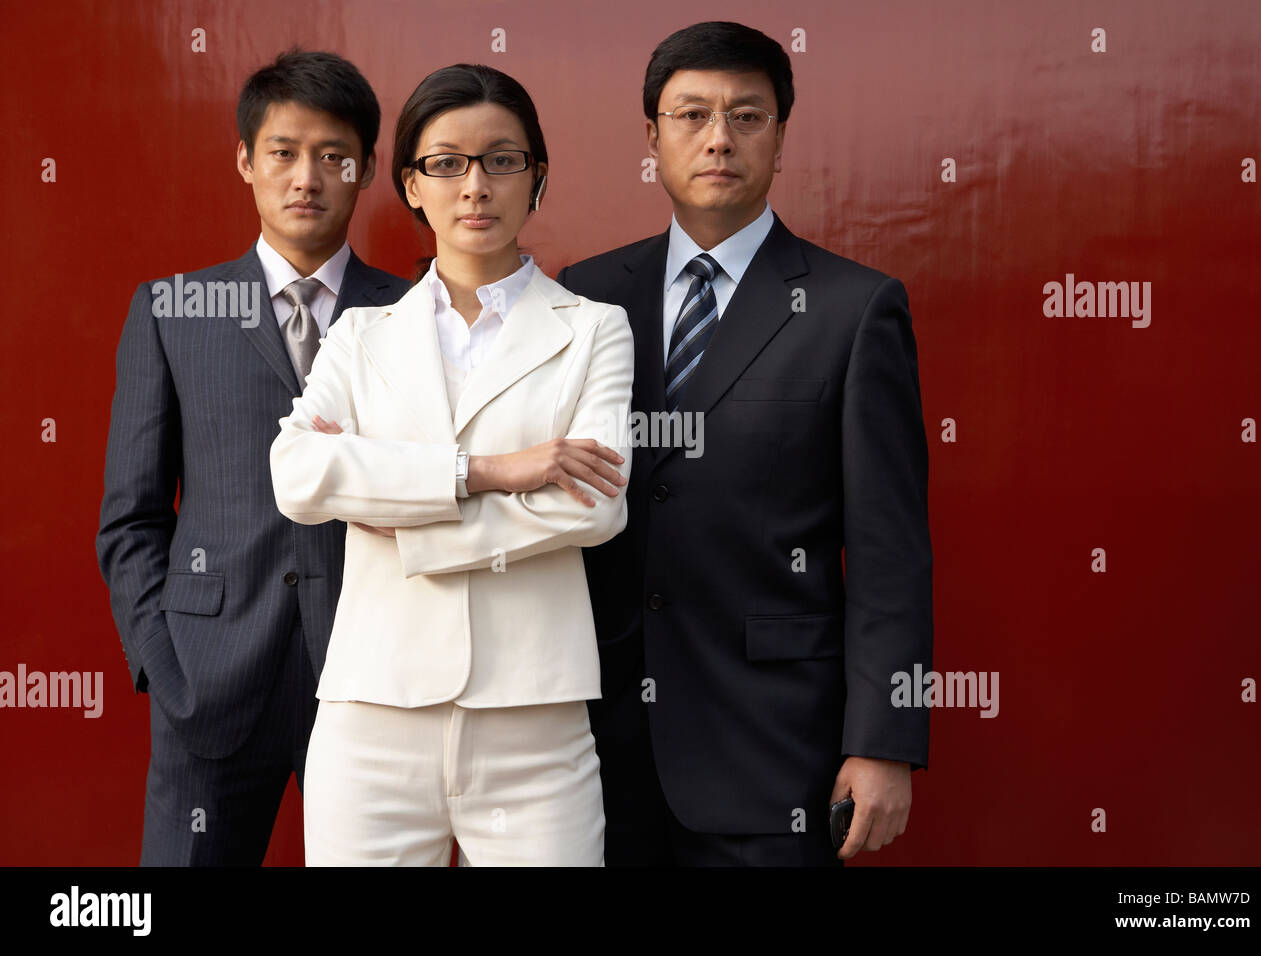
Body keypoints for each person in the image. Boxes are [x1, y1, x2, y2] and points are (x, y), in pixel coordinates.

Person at [557, 21, 935, 866]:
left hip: (772, 749)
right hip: (590, 742)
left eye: (747, 116)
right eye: (691, 115)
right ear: (652, 137)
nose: (718, 137)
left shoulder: (853, 309)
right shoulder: (586, 293)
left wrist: (883, 742)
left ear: (780, 136)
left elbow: (890, 549)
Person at [268, 63, 634, 866]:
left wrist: (402, 525)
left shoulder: (595, 327)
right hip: (371, 717)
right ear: (410, 185)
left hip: (533, 720)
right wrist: (489, 472)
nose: (475, 186)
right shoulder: (361, 336)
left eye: (501, 160)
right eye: (446, 164)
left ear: (536, 177)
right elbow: (297, 474)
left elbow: (595, 506)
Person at [95, 49, 406, 865]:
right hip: (210, 684)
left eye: (334, 156)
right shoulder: (172, 310)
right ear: (245, 160)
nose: (307, 177)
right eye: (283, 152)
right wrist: (166, 668)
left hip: (374, 684)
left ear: (368, 168)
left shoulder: (417, 315)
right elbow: (130, 517)